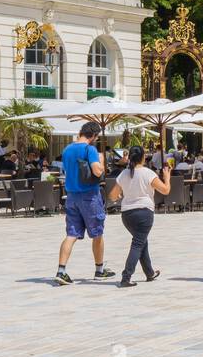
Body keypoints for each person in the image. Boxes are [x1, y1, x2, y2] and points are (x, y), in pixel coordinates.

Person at [55, 121, 112, 286]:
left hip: (72, 196)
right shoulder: (90, 149)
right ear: (94, 135)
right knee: (97, 233)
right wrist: (101, 161)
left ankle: (61, 271)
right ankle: (99, 270)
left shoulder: (67, 149)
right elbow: (97, 171)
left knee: (71, 234)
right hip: (89, 196)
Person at [107, 145, 170, 288]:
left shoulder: (124, 174)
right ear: (143, 157)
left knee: (141, 241)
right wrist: (167, 178)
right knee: (138, 243)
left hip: (127, 215)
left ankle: (150, 272)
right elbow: (166, 190)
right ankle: (126, 276)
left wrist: (122, 195)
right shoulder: (148, 173)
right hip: (144, 213)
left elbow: (112, 196)